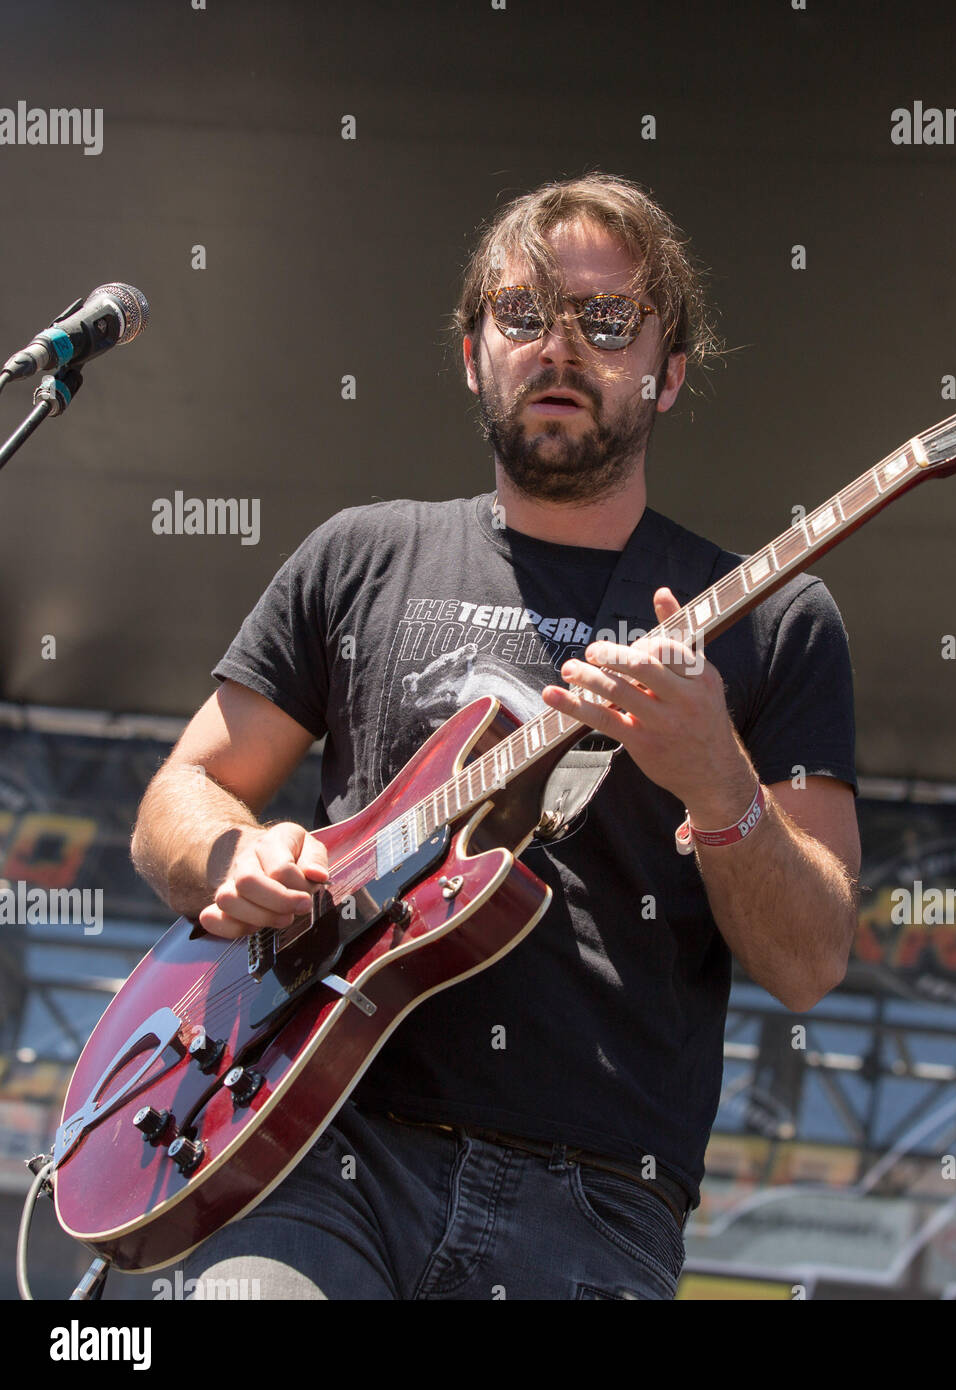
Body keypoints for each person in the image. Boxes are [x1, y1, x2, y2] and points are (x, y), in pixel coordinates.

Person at [130, 171, 860, 1300]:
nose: (559, 347)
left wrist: (719, 780)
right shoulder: (359, 556)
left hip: (597, 1202)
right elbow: (184, 789)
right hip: (322, 1147)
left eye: (606, 322)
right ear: (472, 352)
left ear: (668, 375)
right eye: (521, 315)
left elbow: (810, 960)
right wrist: (232, 856)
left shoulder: (773, 620)